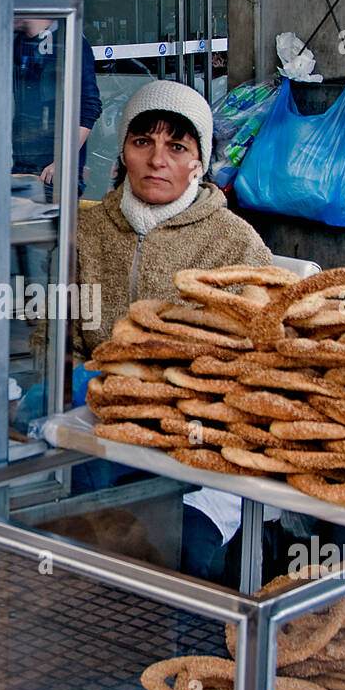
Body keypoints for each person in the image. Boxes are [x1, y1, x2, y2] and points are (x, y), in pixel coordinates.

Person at [72, 80, 276, 583]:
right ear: (123, 151)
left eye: (177, 146)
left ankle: (194, 657)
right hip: (102, 433)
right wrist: (72, 380)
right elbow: (53, 337)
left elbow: (262, 356)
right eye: (143, 142)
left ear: (199, 162)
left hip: (203, 453)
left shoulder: (234, 243)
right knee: (80, 554)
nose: (157, 160)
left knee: (177, 555)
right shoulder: (88, 233)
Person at [0, 17, 102, 194]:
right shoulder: (16, 42)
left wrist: (63, 160)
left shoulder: (68, 41)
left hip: (52, 170)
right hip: (20, 163)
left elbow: (89, 106)